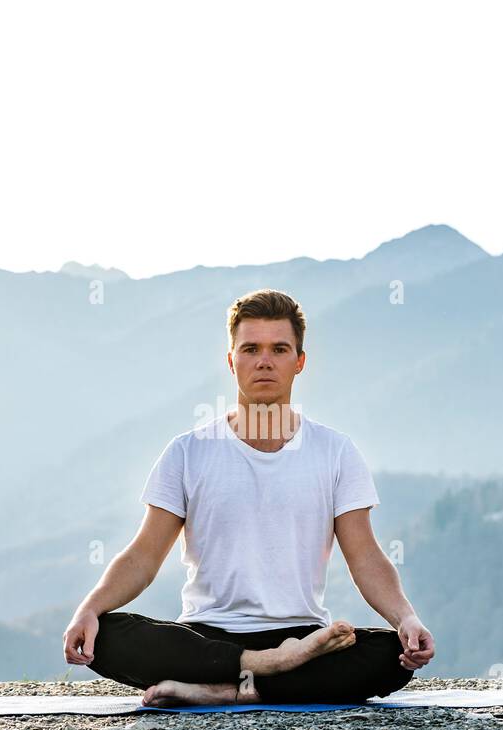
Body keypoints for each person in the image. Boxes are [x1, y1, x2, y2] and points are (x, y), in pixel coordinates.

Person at [62, 288, 435, 707]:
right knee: (108, 634)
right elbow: (143, 557)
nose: (264, 360)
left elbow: (365, 557)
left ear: (299, 362)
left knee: (390, 656)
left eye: (279, 349)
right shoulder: (188, 451)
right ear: (231, 360)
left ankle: (225, 688)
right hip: (207, 637)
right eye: (250, 349)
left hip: (301, 634)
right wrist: (89, 610)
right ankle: (266, 670)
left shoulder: (335, 452)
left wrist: (406, 618)